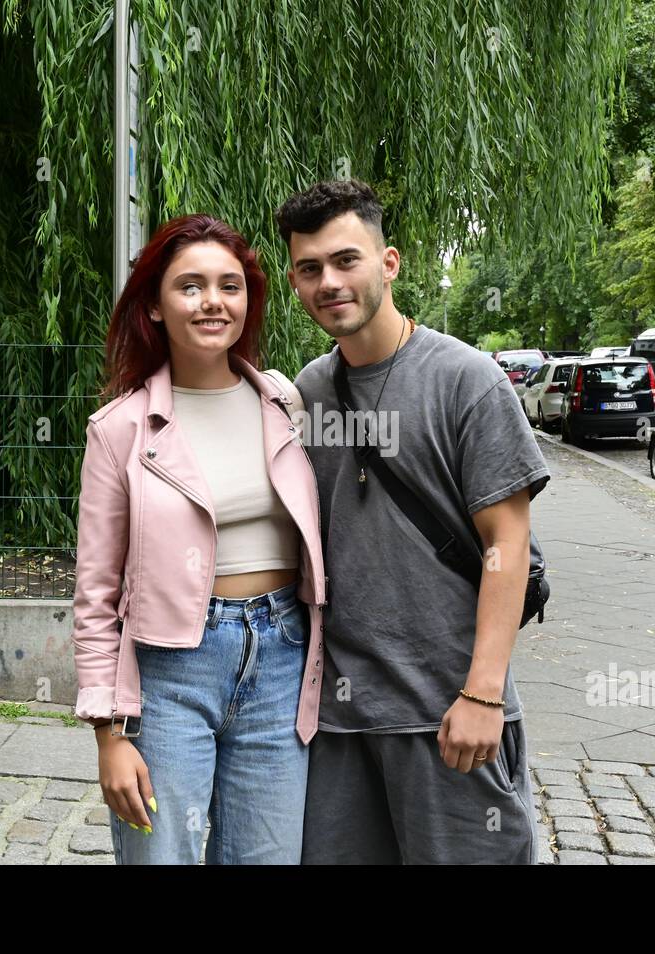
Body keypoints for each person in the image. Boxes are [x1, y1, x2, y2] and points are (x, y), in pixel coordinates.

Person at [276, 178, 550, 863]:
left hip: (449, 712)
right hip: (338, 722)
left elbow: (507, 543)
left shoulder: (466, 380)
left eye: (346, 260)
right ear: (293, 281)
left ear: (389, 262)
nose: (328, 282)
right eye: (310, 269)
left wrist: (483, 694)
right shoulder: (308, 392)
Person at [71, 213, 328, 864]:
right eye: (190, 286)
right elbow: (96, 595)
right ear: (155, 306)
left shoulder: (284, 403)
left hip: (280, 660)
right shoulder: (119, 429)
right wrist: (109, 734)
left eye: (229, 285)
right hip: (170, 674)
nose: (213, 301)